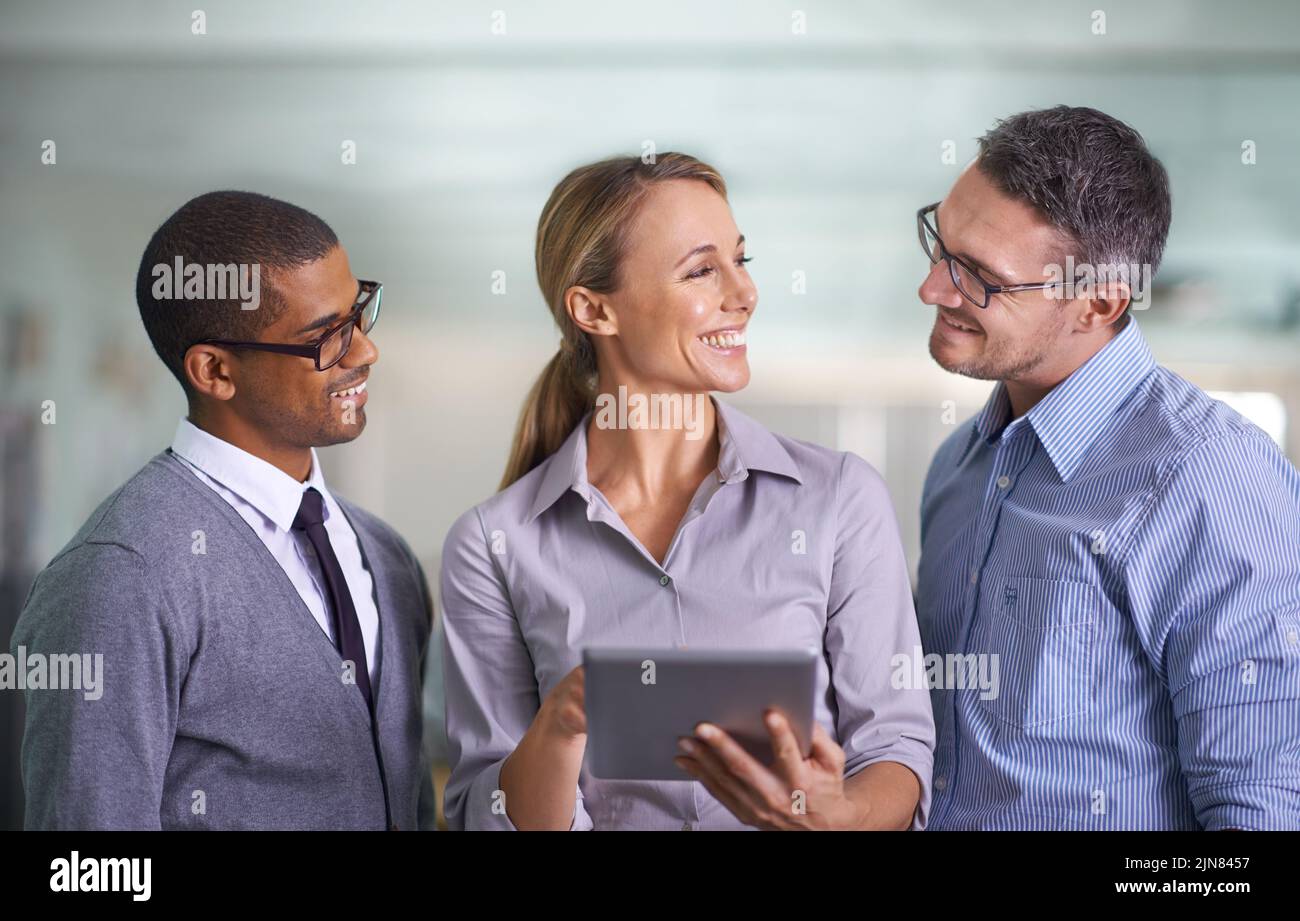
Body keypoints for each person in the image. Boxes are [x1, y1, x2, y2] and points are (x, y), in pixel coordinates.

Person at [441, 152, 934, 830]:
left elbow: (895, 748)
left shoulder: (839, 498)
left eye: (742, 259)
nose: (744, 293)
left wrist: (844, 815)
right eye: (703, 269)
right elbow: (480, 806)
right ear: (593, 309)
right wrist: (561, 724)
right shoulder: (494, 543)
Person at [915, 106, 1300, 829]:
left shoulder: (1209, 481)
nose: (933, 289)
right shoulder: (959, 468)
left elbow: (1264, 817)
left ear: (1100, 300)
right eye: (941, 243)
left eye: (979, 277)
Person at [12, 191, 435, 830]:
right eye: (326, 337)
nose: (364, 352)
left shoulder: (385, 555)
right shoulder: (120, 576)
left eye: (359, 314)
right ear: (214, 370)